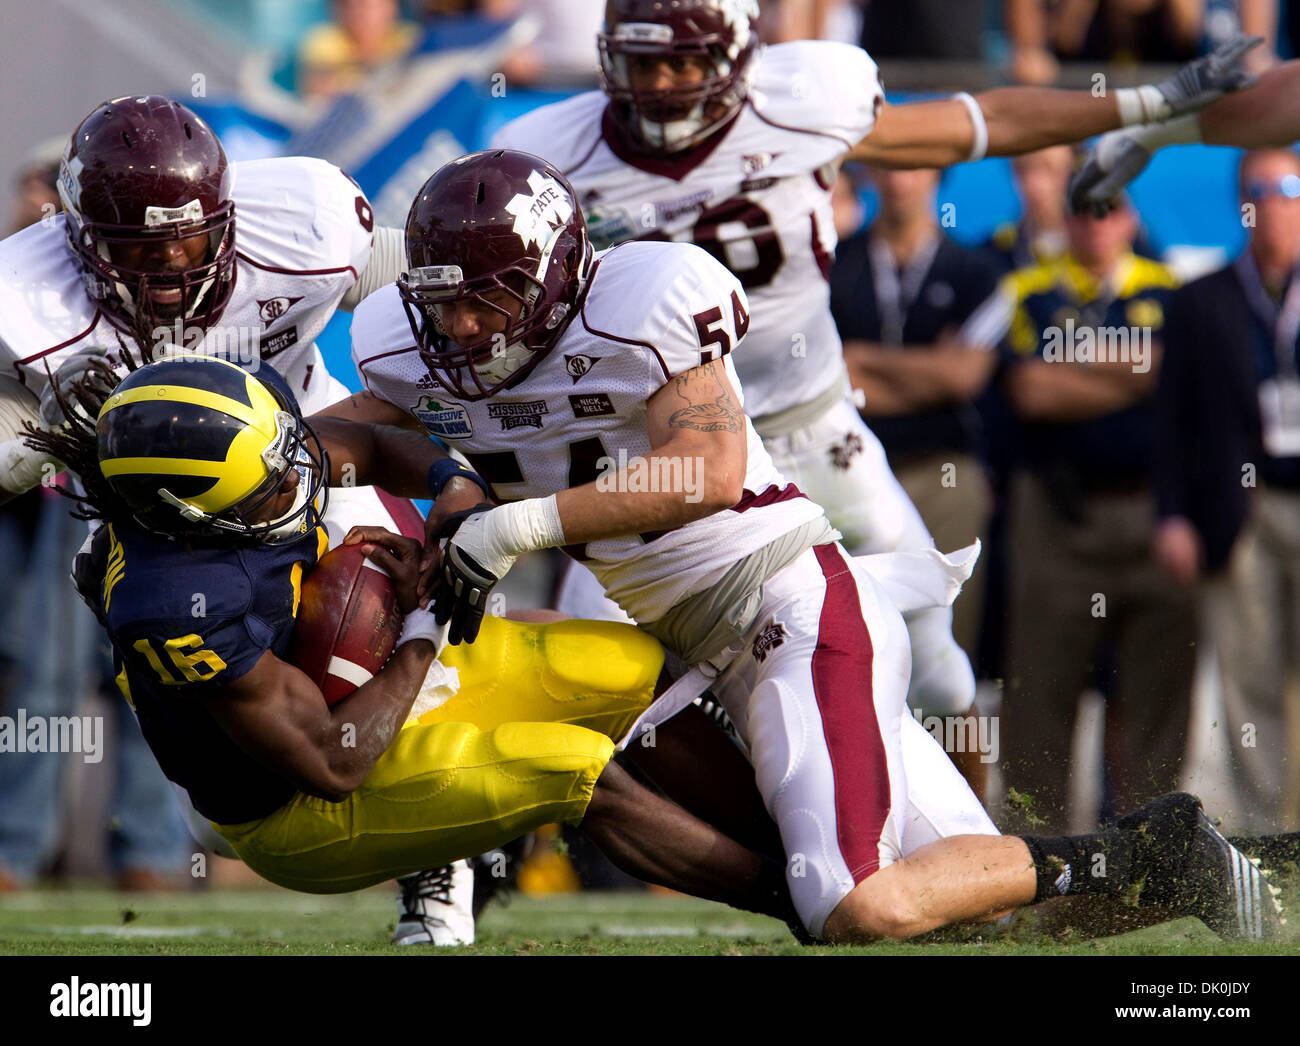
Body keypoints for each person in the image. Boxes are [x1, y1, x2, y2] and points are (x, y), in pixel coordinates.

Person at [339, 147, 1278, 941]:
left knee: (858, 903)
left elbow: (704, 468)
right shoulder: (415, 345)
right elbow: (358, 430)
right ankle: (1197, 864)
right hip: (687, 644)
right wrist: (258, 456)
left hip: (789, 608)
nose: (462, 327)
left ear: (554, 278)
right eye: (444, 302)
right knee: (978, 914)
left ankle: (1155, 842)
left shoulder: (642, 302)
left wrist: (519, 521)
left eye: (487, 300)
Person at [482, 3, 1252, 730]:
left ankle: (964, 833)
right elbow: (462, 267)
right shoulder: (556, 155)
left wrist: (1146, 104)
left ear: (736, 56)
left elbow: (976, 125)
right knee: (593, 646)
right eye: (640, 64)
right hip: (662, 451)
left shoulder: (802, 101)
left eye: (680, 64)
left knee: (933, 656)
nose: (657, 87)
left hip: (807, 424)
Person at [31, 352, 809, 942]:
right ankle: (801, 902)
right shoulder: (175, 605)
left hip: (359, 692)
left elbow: (366, 445)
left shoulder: (236, 473)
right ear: (190, 517)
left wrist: (455, 493)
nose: (300, 480)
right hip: (298, 808)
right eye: (272, 486)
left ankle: (813, 849)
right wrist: (422, 620)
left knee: (631, 669)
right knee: (573, 766)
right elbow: (336, 762)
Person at [986, 189, 1195, 834]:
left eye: (1108, 210)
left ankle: (1152, 862)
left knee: (1156, 697)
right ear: (1066, 219)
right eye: (1082, 210)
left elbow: (1176, 378)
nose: (1095, 224)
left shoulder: (1173, 290)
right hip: (1056, 513)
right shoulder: (1028, 287)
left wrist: (1072, 364)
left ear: (1130, 219)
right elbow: (1029, 389)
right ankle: (1034, 863)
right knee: (1038, 695)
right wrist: (1136, 371)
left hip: (1153, 511)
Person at [1154, 148, 1300, 834]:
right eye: (1259, 190)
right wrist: (1173, 516)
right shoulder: (1199, 299)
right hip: (1239, 509)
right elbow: (1173, 420)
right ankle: (1271, 837)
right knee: (1249, 678)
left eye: (1288, 187)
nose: (1272, 202)